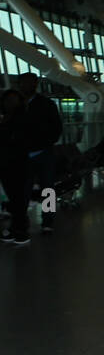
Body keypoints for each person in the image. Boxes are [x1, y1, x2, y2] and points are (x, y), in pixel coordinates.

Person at [15, 73, 62, 234]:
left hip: (43, 152)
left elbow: (56, 127)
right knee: (22, 189)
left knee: (47, 188)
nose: (26, 86)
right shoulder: (16, 104)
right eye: (23, 83)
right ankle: (21, 221)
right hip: (24, 154)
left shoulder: (46, 104)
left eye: (30, 83)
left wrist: (45, 142)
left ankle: (48, 220)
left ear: (35, 84)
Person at [0, 89, 29, 244]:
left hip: (19, 162)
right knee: (15, 197)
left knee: (47, 188)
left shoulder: (20, 119)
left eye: (12, 100)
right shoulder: (9, 118)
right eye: (6, 100)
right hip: (10, 162)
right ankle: (18, 228)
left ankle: (46, 220)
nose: (9, 103)